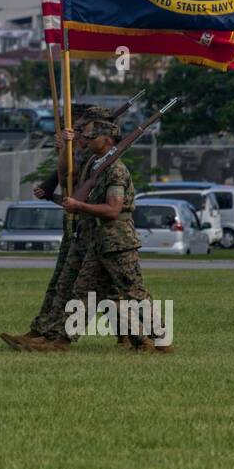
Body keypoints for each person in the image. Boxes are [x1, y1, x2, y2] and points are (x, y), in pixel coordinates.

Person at [1, 107, 119, 352]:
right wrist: (64, 149)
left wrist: (68, 147)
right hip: (82, 229)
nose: (80, 134)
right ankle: (46, 331)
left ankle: (55, 336)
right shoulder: (89, 155)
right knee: (75, 284)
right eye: (78, 130)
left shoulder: (101, 160)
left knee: (108, 289)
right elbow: (67, 179)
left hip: (101, 234)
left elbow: (70, 174)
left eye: (83, 130)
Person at [62, 118, 167, 353]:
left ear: (107, 140)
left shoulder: (116, 170)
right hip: (99, 242)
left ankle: (161, 340)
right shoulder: (94, 164)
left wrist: (79, 206)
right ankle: (60, 340)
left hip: (118, 242)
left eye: (92, 136)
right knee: (83, 291)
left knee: (134, 293)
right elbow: (66, 172)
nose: (86, 139)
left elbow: (113, 210)